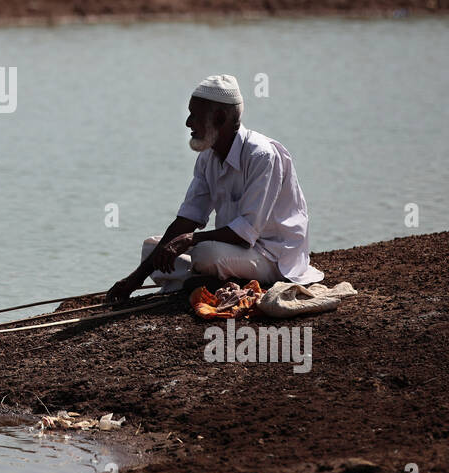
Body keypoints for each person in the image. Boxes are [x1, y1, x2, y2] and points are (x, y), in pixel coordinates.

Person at [106, 74, 323, 304]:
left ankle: (201, 281)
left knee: (204, 253)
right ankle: (203, 281)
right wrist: (135, 278)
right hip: (237, 253)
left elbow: (245, 233)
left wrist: (190, 240)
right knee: (152, 248)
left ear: (220, 117)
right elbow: (187, 219)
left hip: (273, 256)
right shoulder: (207, 157)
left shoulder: (261, 155)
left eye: (195, 116)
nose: (188, 123)